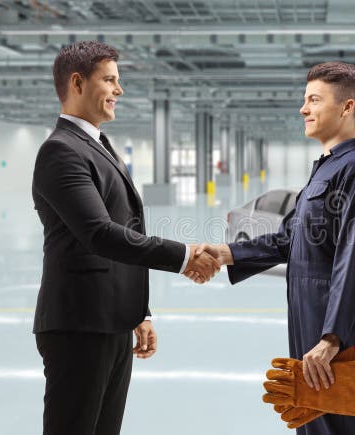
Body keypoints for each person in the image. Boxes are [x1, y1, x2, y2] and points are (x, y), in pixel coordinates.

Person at [31, 41, 220, 435]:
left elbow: (127, 230)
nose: (119, 90)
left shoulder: (97, 145)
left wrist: (140, 312)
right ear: (78, 82)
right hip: (78, 326)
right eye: (110, 80)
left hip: (110, 322)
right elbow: (100, 234)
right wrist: (185, 256)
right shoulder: (61, 151)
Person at [194, 61, 355, 434]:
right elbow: (289, 239)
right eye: (305, 99)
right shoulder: (325, 169)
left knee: (337, 427)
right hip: (309, 321)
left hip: (336, 330)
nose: (303, 108)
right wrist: (226, 253)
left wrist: (332, 338)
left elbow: (353, 260)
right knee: (310, 425)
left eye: (314, 99)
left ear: (346, 108)